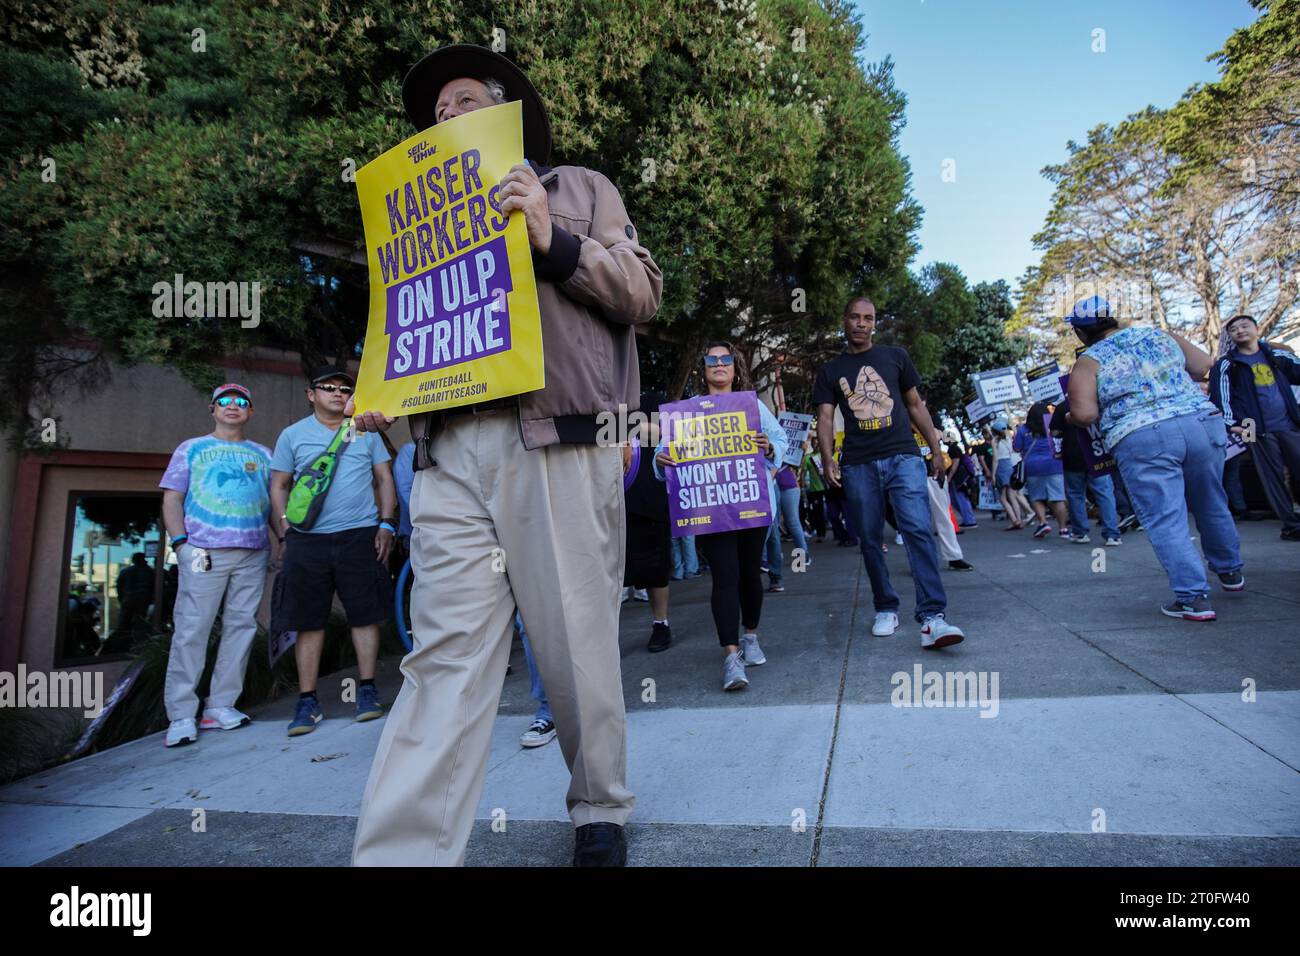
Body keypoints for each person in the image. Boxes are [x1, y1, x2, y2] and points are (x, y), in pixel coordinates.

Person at [349, 45, 662, 868]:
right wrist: (386, 390)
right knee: (441, 658)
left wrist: (550, 238)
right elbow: (407, 328)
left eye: (462, 102)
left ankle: (600, 808)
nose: (446, 116)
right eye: (436, 112)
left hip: (555, 438)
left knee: (574, 639)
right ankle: (403, 853)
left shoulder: (580, 189)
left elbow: (642, 292)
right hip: (448, 455)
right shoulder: (417, 223)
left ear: (503, 109)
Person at [1064, 296, 1243, 621]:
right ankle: (1230, 572)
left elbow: (1085, 413)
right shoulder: (1161, 335)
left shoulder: (1089, 362)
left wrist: (1071, 418)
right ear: (1111, 318)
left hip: (1143, 437)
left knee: (1166, 517)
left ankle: (1193, 598)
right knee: (1212, 501)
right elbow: (1205, 366)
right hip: (1201, 423)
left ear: (1079, 332)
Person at [815, 297, 966, 648]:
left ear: (874, 323)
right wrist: (827, 458)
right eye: (854, 317)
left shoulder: (896, 356)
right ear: (845, 321)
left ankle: (933, 617)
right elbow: (824, 418)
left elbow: (915, 405)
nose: (861, 323)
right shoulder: (830, 370)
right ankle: (885, 607)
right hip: (858, 463)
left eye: (868, 318)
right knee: (869, 537)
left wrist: (937, 450)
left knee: (916, 529)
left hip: (904, 457)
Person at [270, 365, 396, 735]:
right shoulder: (292, 435)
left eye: (345, 388)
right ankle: (307, 701)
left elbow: (384, 478)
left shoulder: (365, 431)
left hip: (360, 536)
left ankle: (367, 692)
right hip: (307, 541)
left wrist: (386, 524)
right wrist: (283, 525)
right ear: (311, 395)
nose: (338, 393)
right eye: (327, 388)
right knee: (308, 621)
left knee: (364, 615)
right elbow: (279, 483)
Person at [654, 342, 787, 691]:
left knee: (748, 577)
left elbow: (781, 442)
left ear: (734, 366)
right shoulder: (686, 413)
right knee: (725, 578)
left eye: (725, 359)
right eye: (711, 359)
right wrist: (660, 461)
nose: (718, 364)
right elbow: (662, 454)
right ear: (704, 369)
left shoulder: (752, 405)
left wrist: (769, 447)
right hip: (711, 510)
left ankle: (751, 634)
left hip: (751, 504)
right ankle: (731, 656)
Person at [159, 384, 275, 748]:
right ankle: (180, 715)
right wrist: (180, 544)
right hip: (203, 551)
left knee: (241, 627)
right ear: (212, 408)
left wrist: (285, 539)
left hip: (253, 550)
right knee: (193, 629)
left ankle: (220, 706)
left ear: (250, 412)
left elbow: (275, 501)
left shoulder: (264, 454)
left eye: (242, 402)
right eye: (225, 401)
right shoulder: (191, 449)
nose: (233, 406)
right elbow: (172, 499)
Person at [1210, 314, 1300, 540]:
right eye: (1233, 329)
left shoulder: (1275, 355)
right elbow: (1221, 398)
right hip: (1254, 427)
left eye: (1244, 325)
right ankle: (1290, 525)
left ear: (1256, 329)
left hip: (1289, 422)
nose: (1240, 330)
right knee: (1272, 477)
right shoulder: (1227, 363)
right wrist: (1231, 424)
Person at [624, 391, 675, 652]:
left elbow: (663, 433)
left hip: (648, 499)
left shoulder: (652, 399)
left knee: (656, 570)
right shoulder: (596, 397)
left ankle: (660, 623)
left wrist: (623, 429)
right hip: (607, 503)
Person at [1014, 400, 1070, 540]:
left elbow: (1016, 448)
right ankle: (1063, 529)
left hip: (1033, 466)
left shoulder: (1023, 429)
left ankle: (1043, 522)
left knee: (1036, 497)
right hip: (1054, 463)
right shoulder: (1052, 425)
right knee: (1058, 498)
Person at [764, 461, 809, 590]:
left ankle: (802, 558)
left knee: (793, 523)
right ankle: (799, 560)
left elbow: (797, 460)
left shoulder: (779, 447)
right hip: (775, 487)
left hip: (788, 486)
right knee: (775, 527)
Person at [990, 419, 1028, 529]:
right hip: (1009, 466)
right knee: (1012, 496)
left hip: (1001, 467)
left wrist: (993, 474)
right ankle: (1019, 519)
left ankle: (1014, 520)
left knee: (1003, 497)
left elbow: (995, 459)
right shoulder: (1009, 439)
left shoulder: (995, 442)